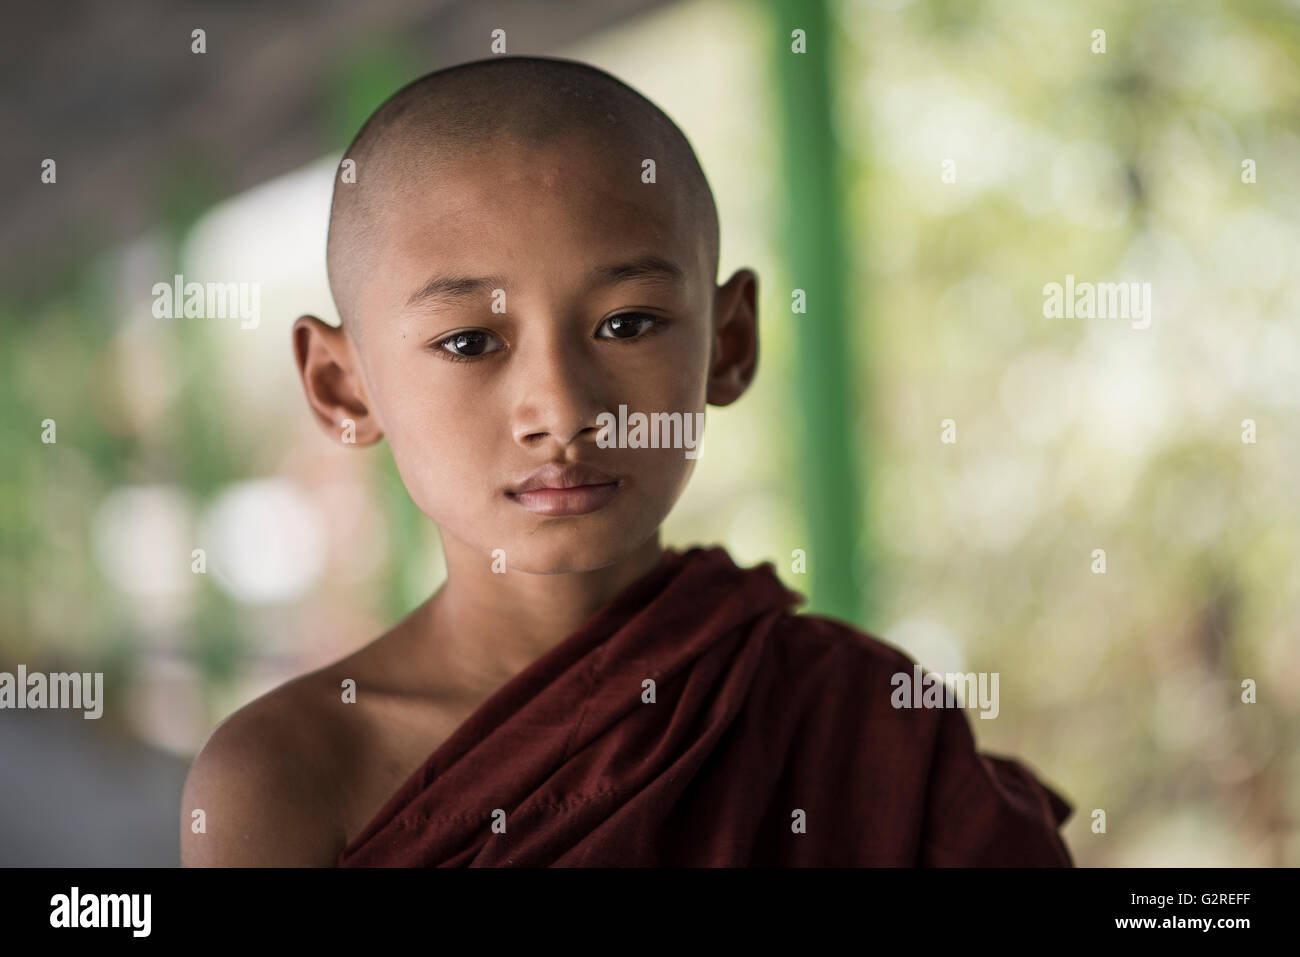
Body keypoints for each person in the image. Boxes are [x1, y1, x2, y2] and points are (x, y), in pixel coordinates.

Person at [180, 55, 1073, 866]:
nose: (564, 410)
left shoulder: (864, 717)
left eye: (628, 323)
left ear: (728, 343)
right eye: (468, 341)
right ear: (344, 386)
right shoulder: (286, 775)